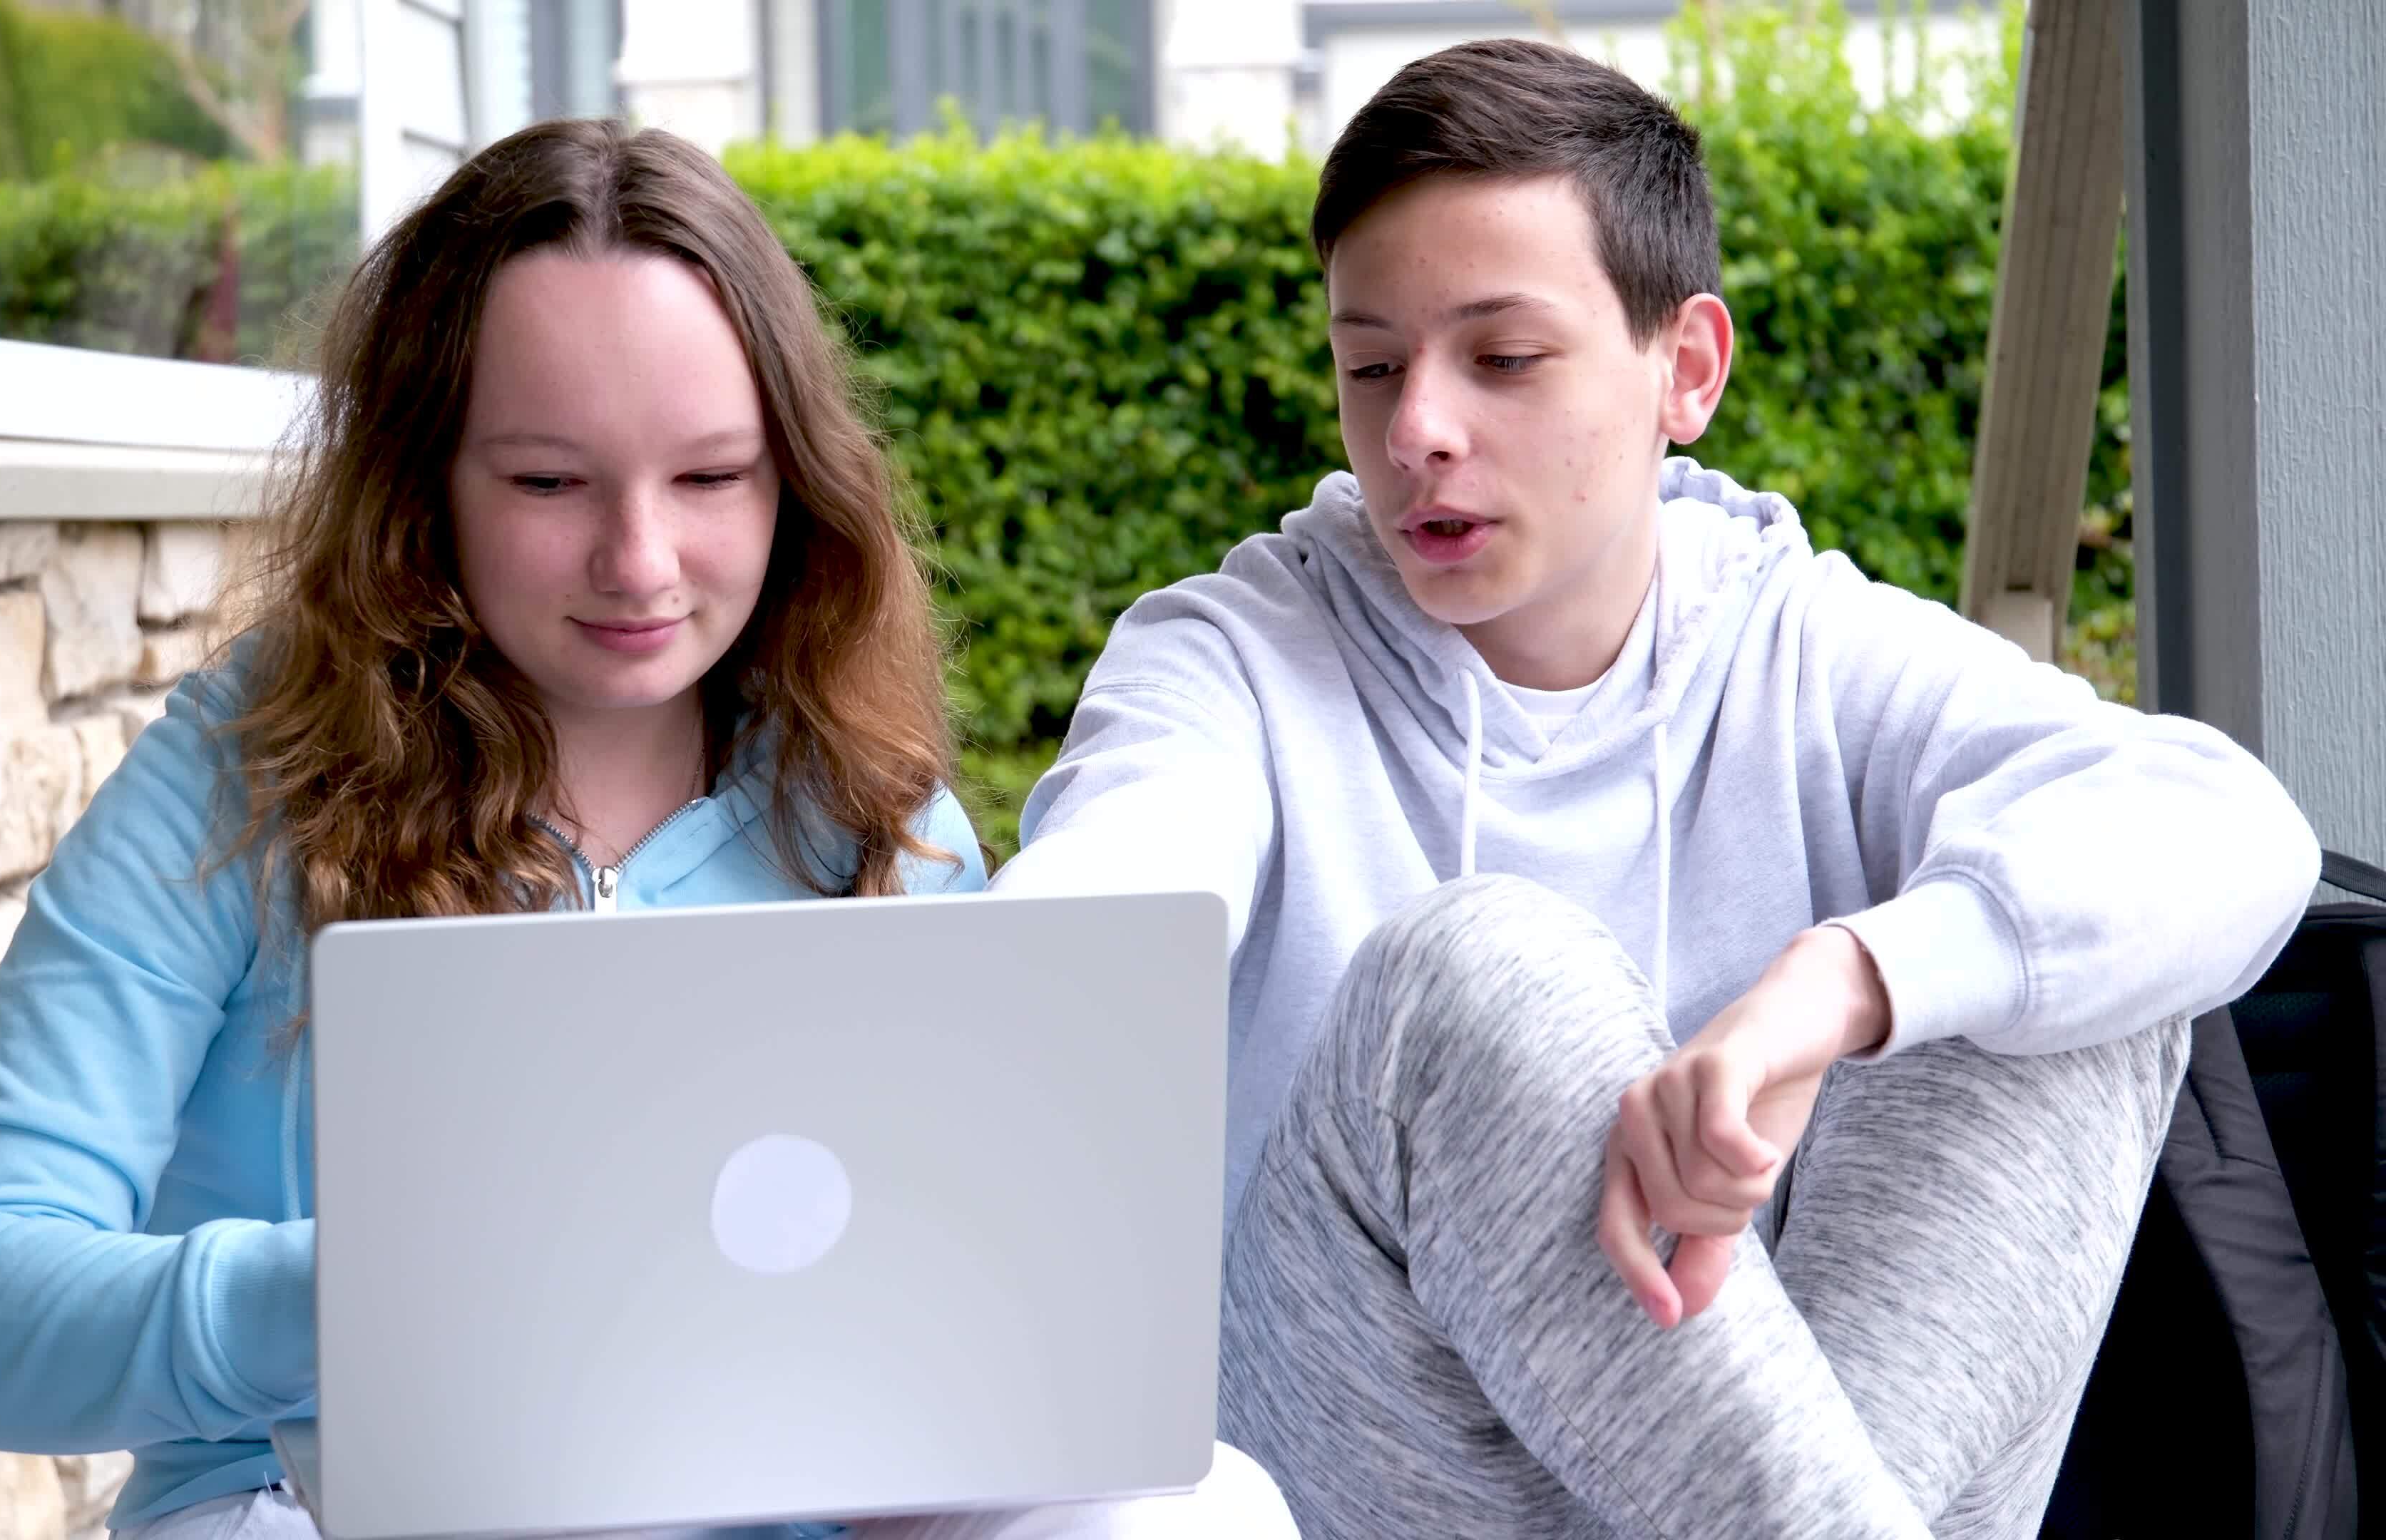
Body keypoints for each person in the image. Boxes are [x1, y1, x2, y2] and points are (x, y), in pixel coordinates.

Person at [0, 120, 1294, 1540]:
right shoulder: (243, 780)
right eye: (550, 482)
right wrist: (347, 1300)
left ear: (796, 479)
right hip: (317, 1514)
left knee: (1201, 1510)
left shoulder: (868, 804)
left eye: (712, 477)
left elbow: (971, 1326)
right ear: (422, 484)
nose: (641, 561)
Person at [990, 39, 2323, 1539]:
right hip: (1366, 1465)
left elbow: (2232, 828)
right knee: (1478, 970)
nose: (1415, 428)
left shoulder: (1802, 643)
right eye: (1371, 364)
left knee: (2053, 961)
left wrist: (1845, 981)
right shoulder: (1233, 658)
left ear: (1686, 369)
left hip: (1762, 1471)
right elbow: (1118, 875)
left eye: (1500, 359)